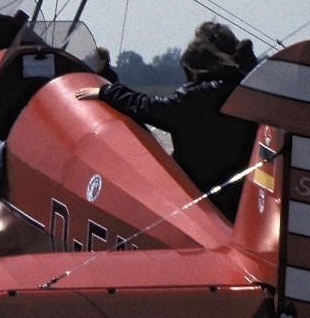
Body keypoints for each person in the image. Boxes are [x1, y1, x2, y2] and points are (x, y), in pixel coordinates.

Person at [75, 24, 258, 221]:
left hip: (199, 206)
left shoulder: (197, 99)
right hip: (242, 210)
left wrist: (106, 91)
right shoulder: (255, 94)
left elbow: (149, 107)